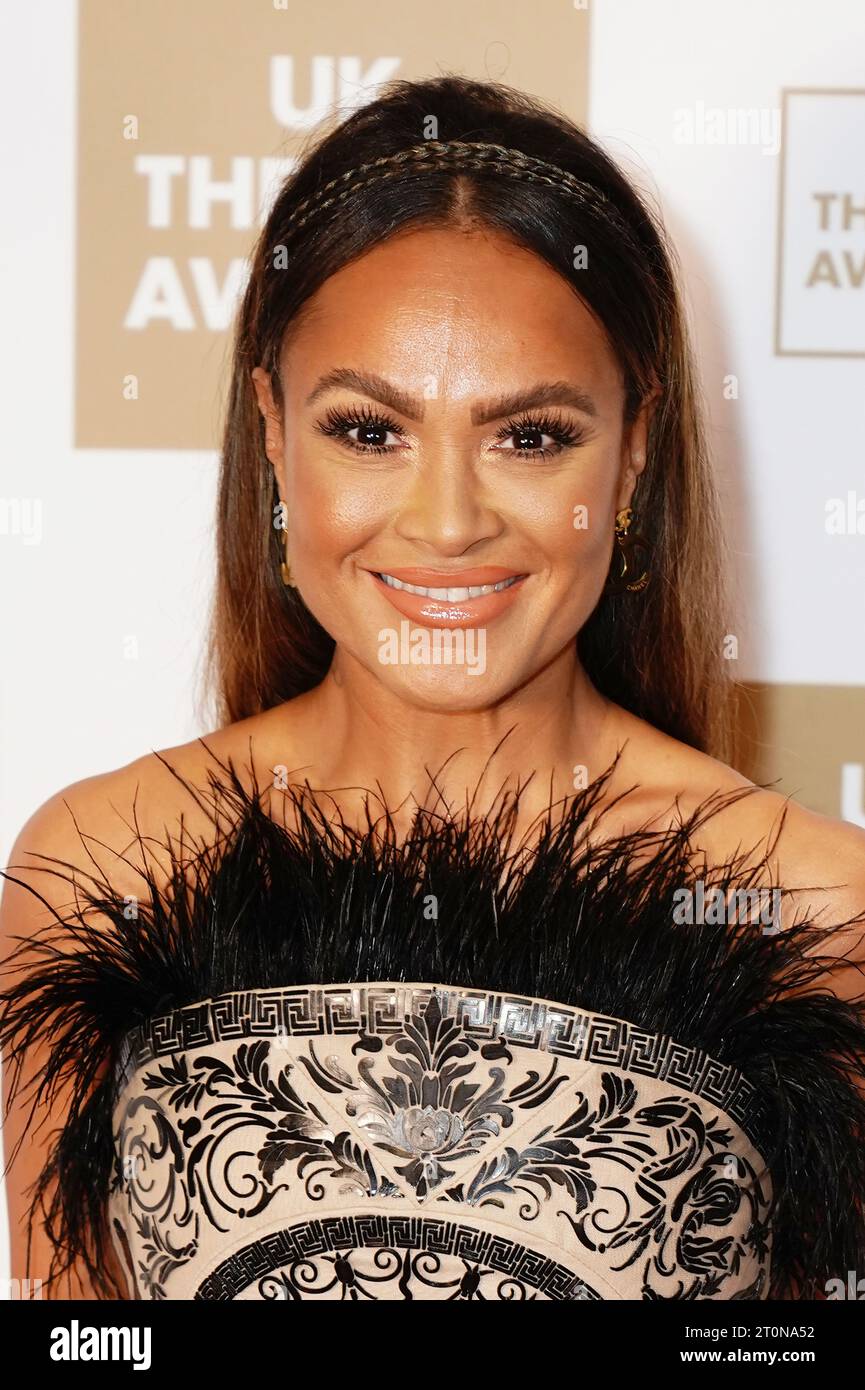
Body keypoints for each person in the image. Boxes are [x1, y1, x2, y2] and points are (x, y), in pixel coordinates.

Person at [2, 75, 864, 1303]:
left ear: (633, 454)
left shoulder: (808, 911)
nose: (448, 521)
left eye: (530, 435)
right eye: (367, 431)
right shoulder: (107, 872)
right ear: (271, 429)